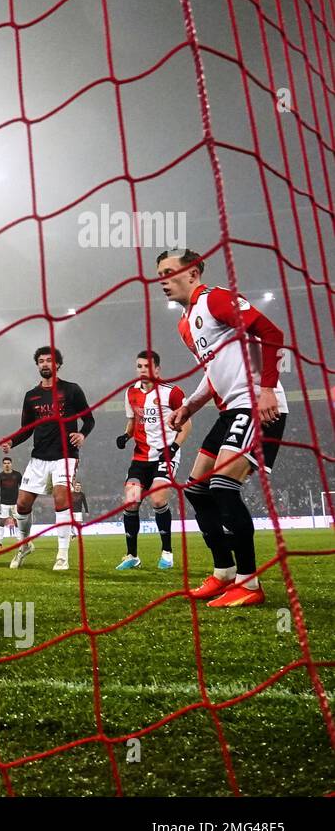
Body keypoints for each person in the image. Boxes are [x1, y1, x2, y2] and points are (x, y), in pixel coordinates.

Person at [158, 249, 288, 607]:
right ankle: (224, 574)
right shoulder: (185, 324)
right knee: (197, 490)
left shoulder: (215, 299)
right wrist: (189, 405)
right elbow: (214, 372)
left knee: (223, 485)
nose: (163, 280)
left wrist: (266, 389)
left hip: (256, 404)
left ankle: (249, 584)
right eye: (160, 274)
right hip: (229, 409)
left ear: (193, 272)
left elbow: (271, 332)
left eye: (169, 272)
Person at [2, 346, 95, 571]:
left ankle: (62, 555)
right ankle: (24, 545)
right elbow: (26, 429)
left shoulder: (72, 390)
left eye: (49, 361)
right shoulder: (31, 396)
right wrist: (11, 442)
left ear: (58, 365)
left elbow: (89, 419)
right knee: (22, 505)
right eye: (41, 361)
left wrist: (82, 434)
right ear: (37, 365)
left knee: (61, 498)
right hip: (39, 458)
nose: (45, 364)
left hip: (65, 455)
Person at [113, 348, 193, 572]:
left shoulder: (173, 392)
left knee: (158, 500)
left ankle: (167, 552)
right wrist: (125, 436)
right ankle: (132, 556)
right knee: (130, 502)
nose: (142, 370)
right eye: (139, 366)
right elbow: (132, 423)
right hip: (140, 457)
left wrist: (174, 446)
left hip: (165, 455)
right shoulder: (131, 393)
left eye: (147, 367)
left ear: (157, 369)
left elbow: (187, 426)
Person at [0, 457, 22, 549]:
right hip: (4, 502)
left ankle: (19, 541)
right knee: (2, 521)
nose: (7, 464)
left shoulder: (17, 475)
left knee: (17, 522)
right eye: (5, 463)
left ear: (11, 464)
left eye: (8, 463)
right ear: (3, 464)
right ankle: (0, 542)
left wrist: (22, 500)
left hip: (15, 502)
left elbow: (23, 487)